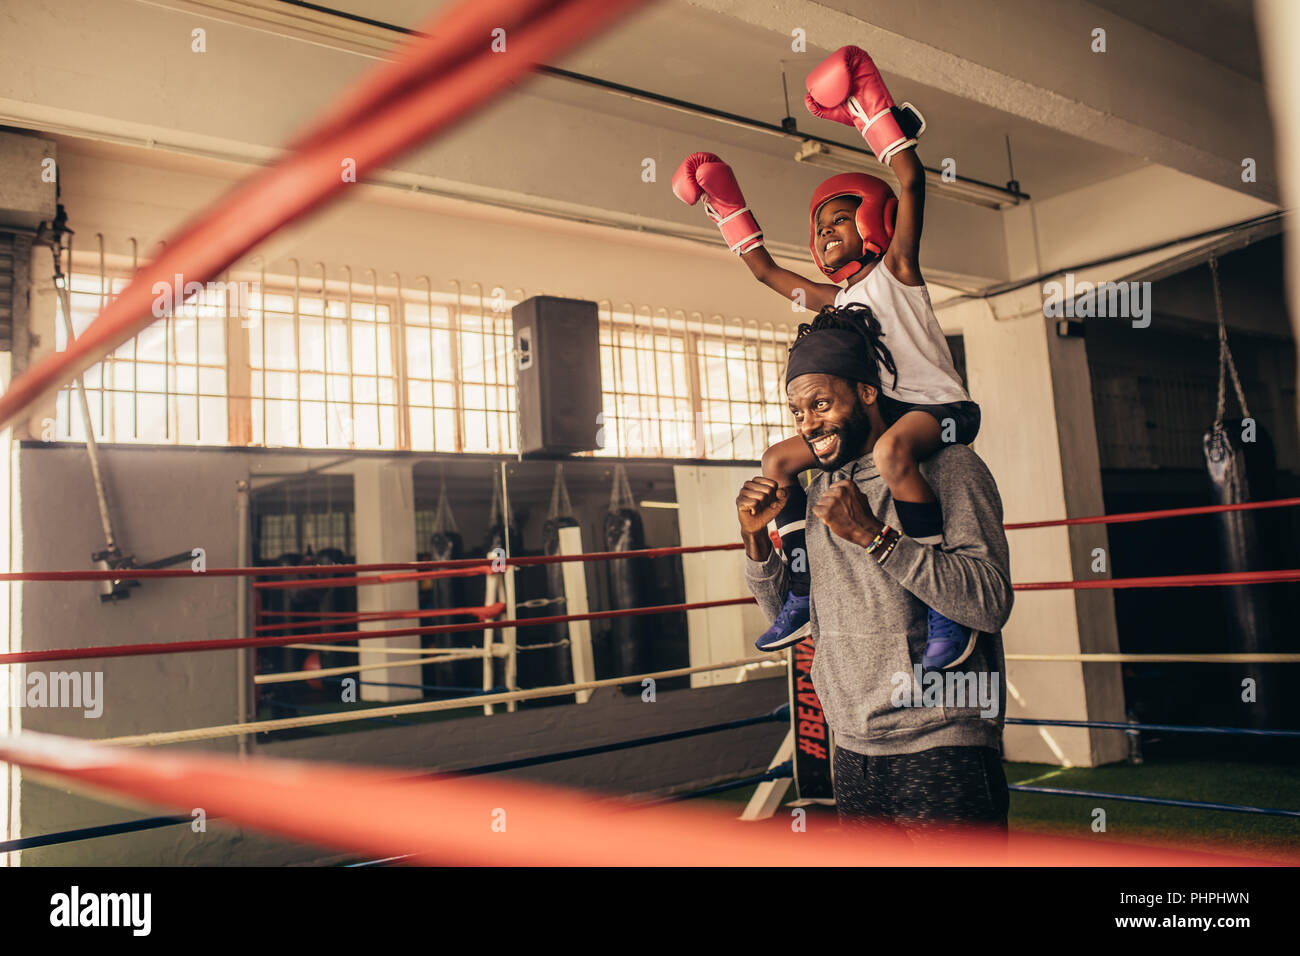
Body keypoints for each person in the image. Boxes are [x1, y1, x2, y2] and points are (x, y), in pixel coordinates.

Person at [673, 45, 980, 670]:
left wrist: (873, 111)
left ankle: (944, 609)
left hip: (943, 411)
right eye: (818, 228)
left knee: (892, 453)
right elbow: (764, 272)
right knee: (776, 459)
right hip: (887, 412)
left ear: (873, 221)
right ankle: (803, 589)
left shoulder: (897, 271)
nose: (825, 234)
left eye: (839, 219)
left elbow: (913, 180)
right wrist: (725, 201)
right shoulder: (835, 303)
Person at [735, 304, 1013, 836]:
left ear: (866, 391)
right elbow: (798, 619)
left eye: (821, 404)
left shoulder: (951, 467)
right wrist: (756, 542)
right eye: (797, 412)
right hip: (853, 745)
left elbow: (989, 602)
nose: (808, 424)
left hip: (941, 741)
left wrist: (874, 537)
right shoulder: (817, 490)